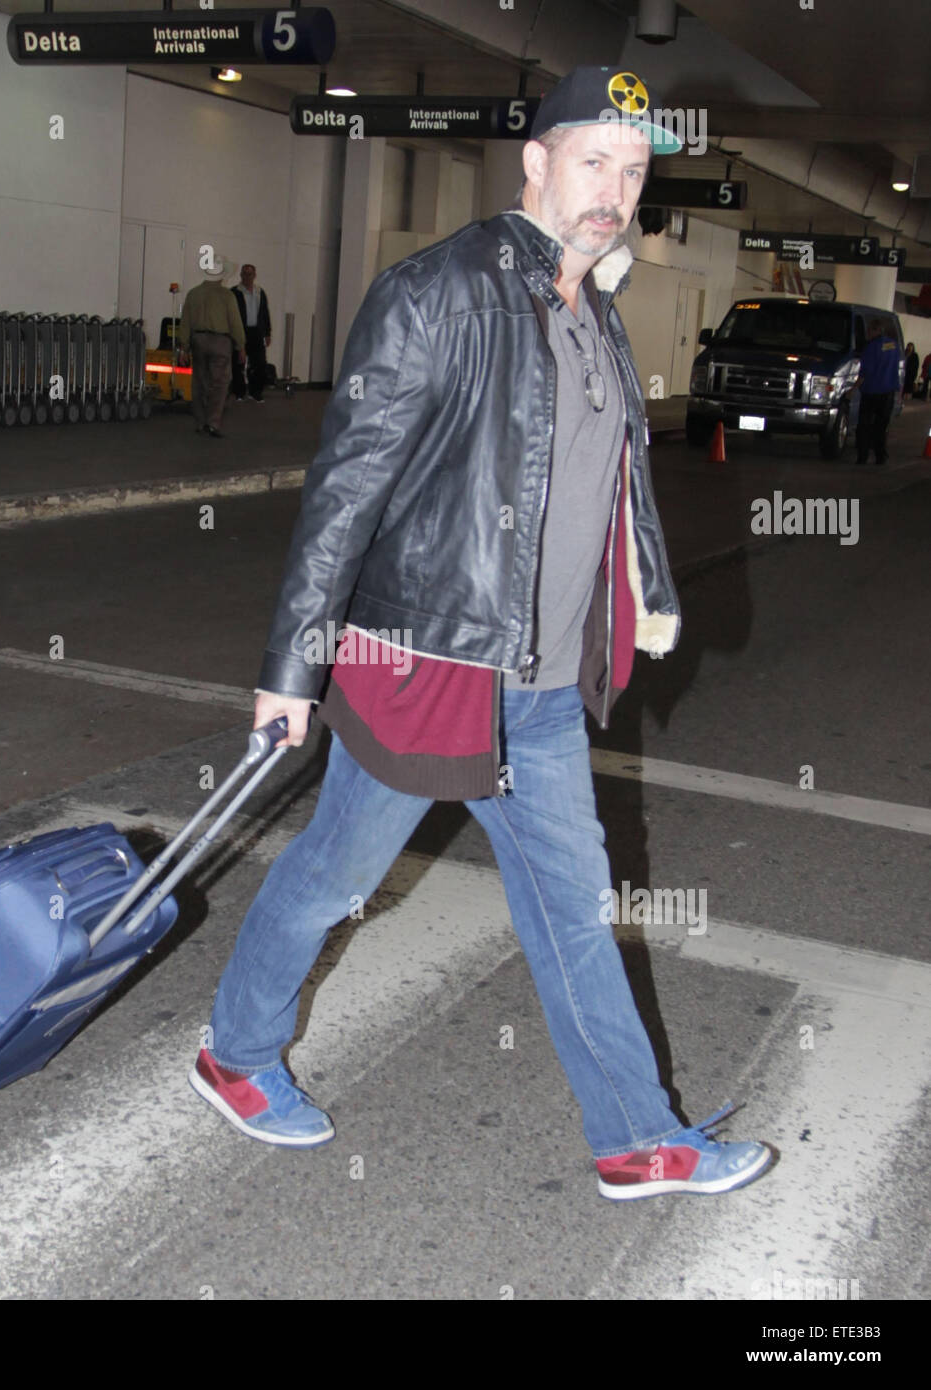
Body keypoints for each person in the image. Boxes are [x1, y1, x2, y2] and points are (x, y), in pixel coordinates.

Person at [189, 66, 772, 1201]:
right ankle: (237, 1052)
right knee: (336, 873)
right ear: (536, 163)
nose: (614, 188)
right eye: (593, 160)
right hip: (422, 665)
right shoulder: (437, 292)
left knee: (575, 909)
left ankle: (634, 1135)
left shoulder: (594, 308)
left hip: (540, 689)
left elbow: (608, 488)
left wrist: (645, 587)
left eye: (635, 169)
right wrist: (292, 670)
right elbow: (344, 493)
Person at [178, 251, 246, 438]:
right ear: (222, 274)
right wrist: (241, 345)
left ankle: (200, 421)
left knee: (199, 382)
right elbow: (235, 323)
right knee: (220, 383)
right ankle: (213, 423)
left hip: (198, 341)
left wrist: (183, 347)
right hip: (220, 342)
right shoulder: (227, 296)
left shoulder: (193, 294)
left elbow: (185, 322)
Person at [855, 318, 900, 465]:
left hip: (871, 392)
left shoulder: (871, 347)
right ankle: (880, 456)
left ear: (875, 330)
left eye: (869, 330)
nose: (867, 333)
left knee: (864, 426)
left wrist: (852, 389)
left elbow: (864, 372)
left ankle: (863, 457)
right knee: (881, 426)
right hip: (888, 392)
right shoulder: (893, 345)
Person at [231, 264, 272, 403]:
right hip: (240, 331)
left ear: (254, 275)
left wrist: (267, 333)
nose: (247, 277)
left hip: (256, 332)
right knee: (238, 364)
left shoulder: (260, 292)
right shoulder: (234, 292)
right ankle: (239, 393)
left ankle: (255, 392)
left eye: (250, 274)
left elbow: (265, 313)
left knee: (259, 363)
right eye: (244, 274)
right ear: (241, 275)